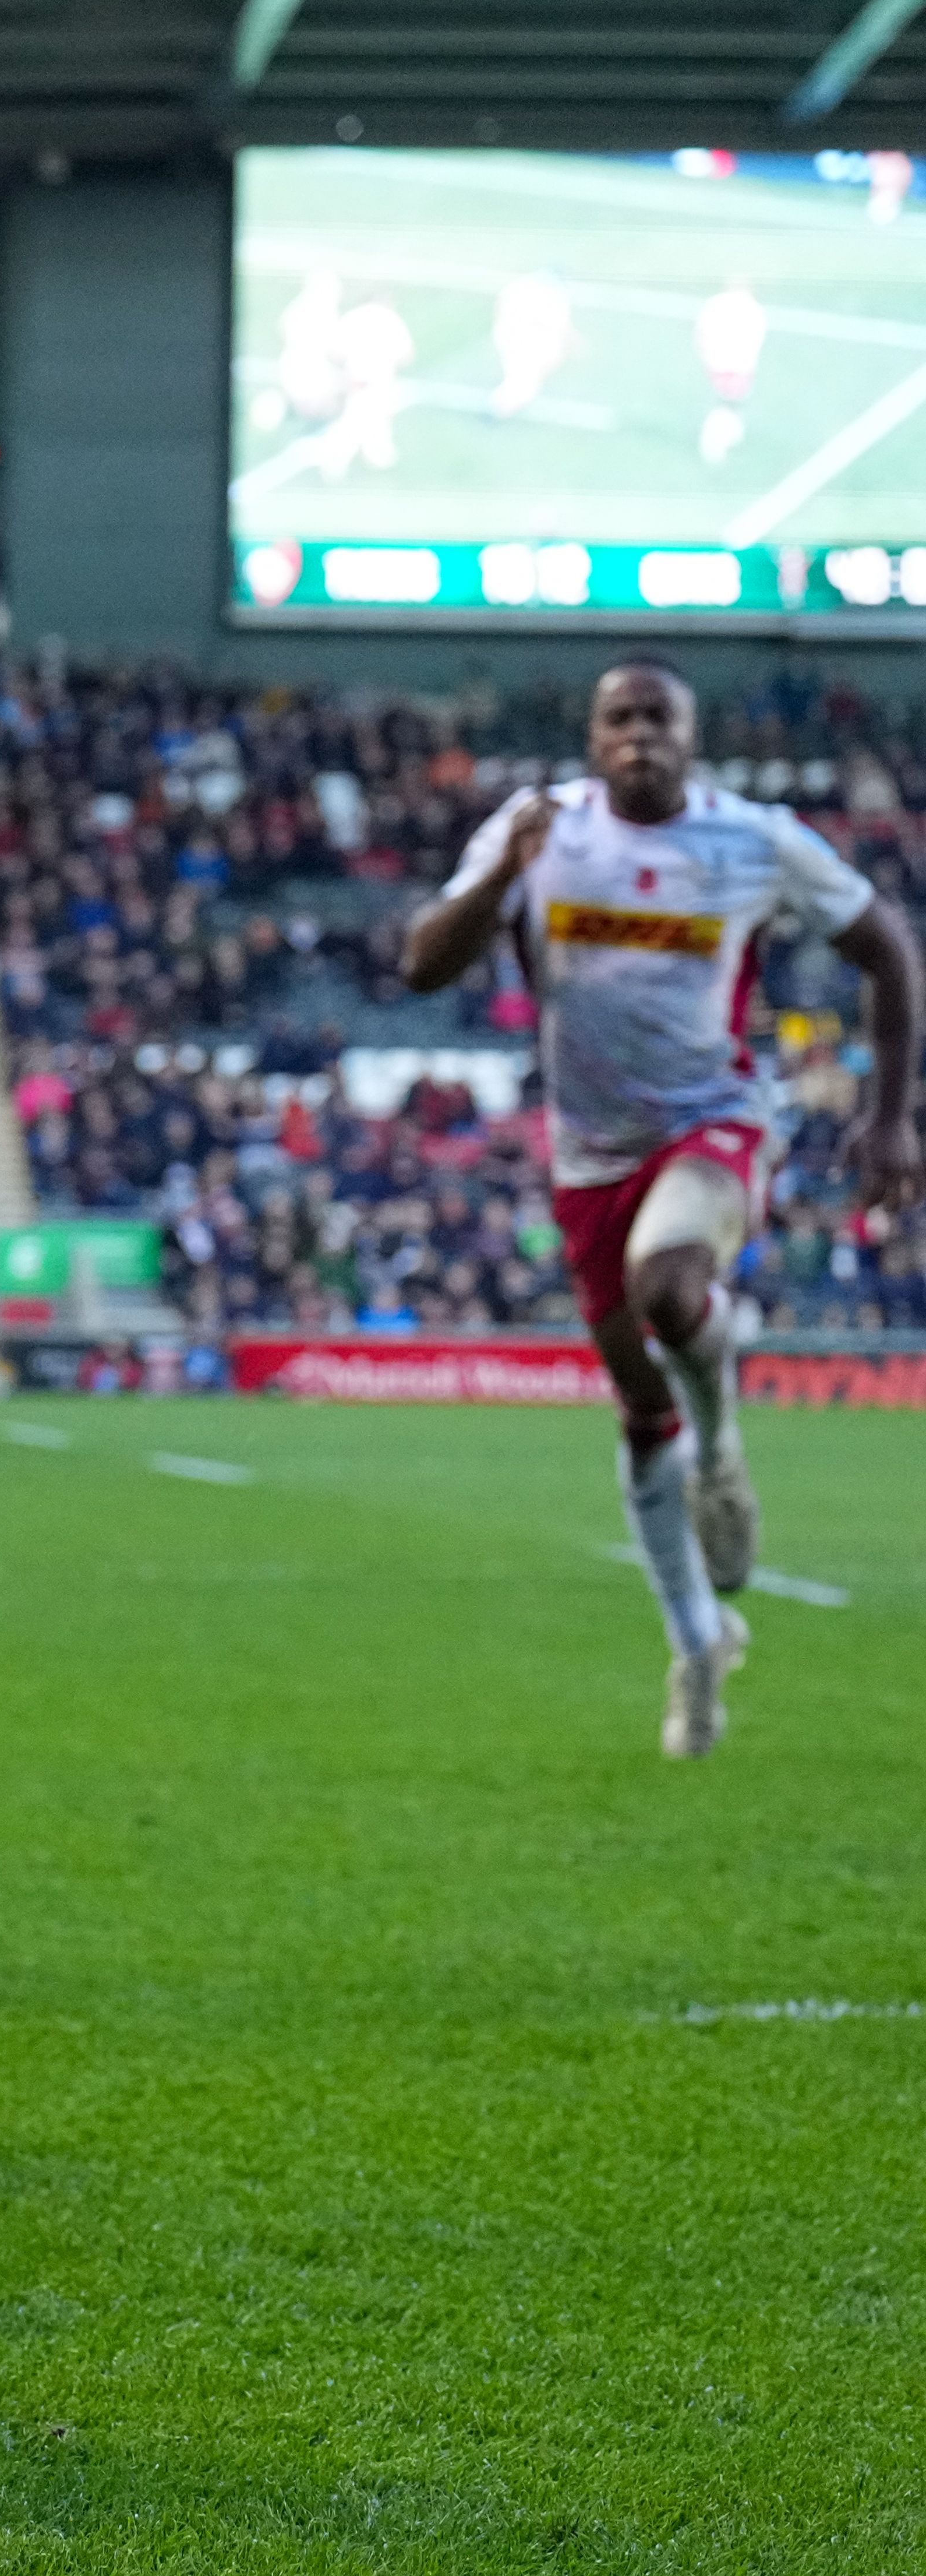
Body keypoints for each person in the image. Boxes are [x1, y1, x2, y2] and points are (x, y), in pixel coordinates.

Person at [402, 654, 923, 1756]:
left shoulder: (755, 841)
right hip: (589, 1157)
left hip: (714, 1122)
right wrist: (502, 882)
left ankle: (722, 1450)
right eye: (619, 719)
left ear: (692, 737)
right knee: (641, 1407)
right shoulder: (539, 831)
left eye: (658, 718)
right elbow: (419, 964)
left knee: (669, 1284)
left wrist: (889, 1119)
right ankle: (697, 1642)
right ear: (593, 739)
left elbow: (888, 951)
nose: (638, 734)